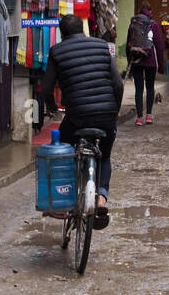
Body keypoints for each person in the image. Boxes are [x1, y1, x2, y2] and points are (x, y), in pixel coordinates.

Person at [42, 14, 123, 228]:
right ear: (83, 30)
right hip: (106, 114)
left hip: (76, 115)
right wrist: (115, 110)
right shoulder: (101, 46)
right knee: (104, 156)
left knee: (65, 152)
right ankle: (101, 198)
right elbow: (118, 84)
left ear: (61, 33)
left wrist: (51, 107)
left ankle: (64, 201)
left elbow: (47, 87)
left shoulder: (57, 51)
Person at [126, 0, 165, 126]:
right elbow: (159, 46)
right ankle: (148, 115)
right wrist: (161, 65)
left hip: (136, 60)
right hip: (150, 60)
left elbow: (128, 44)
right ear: (151, 11)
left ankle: (139, 118)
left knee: (138, 89)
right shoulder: (153, 24)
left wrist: (129, 63)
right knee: (150, 87)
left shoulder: (134, 23)